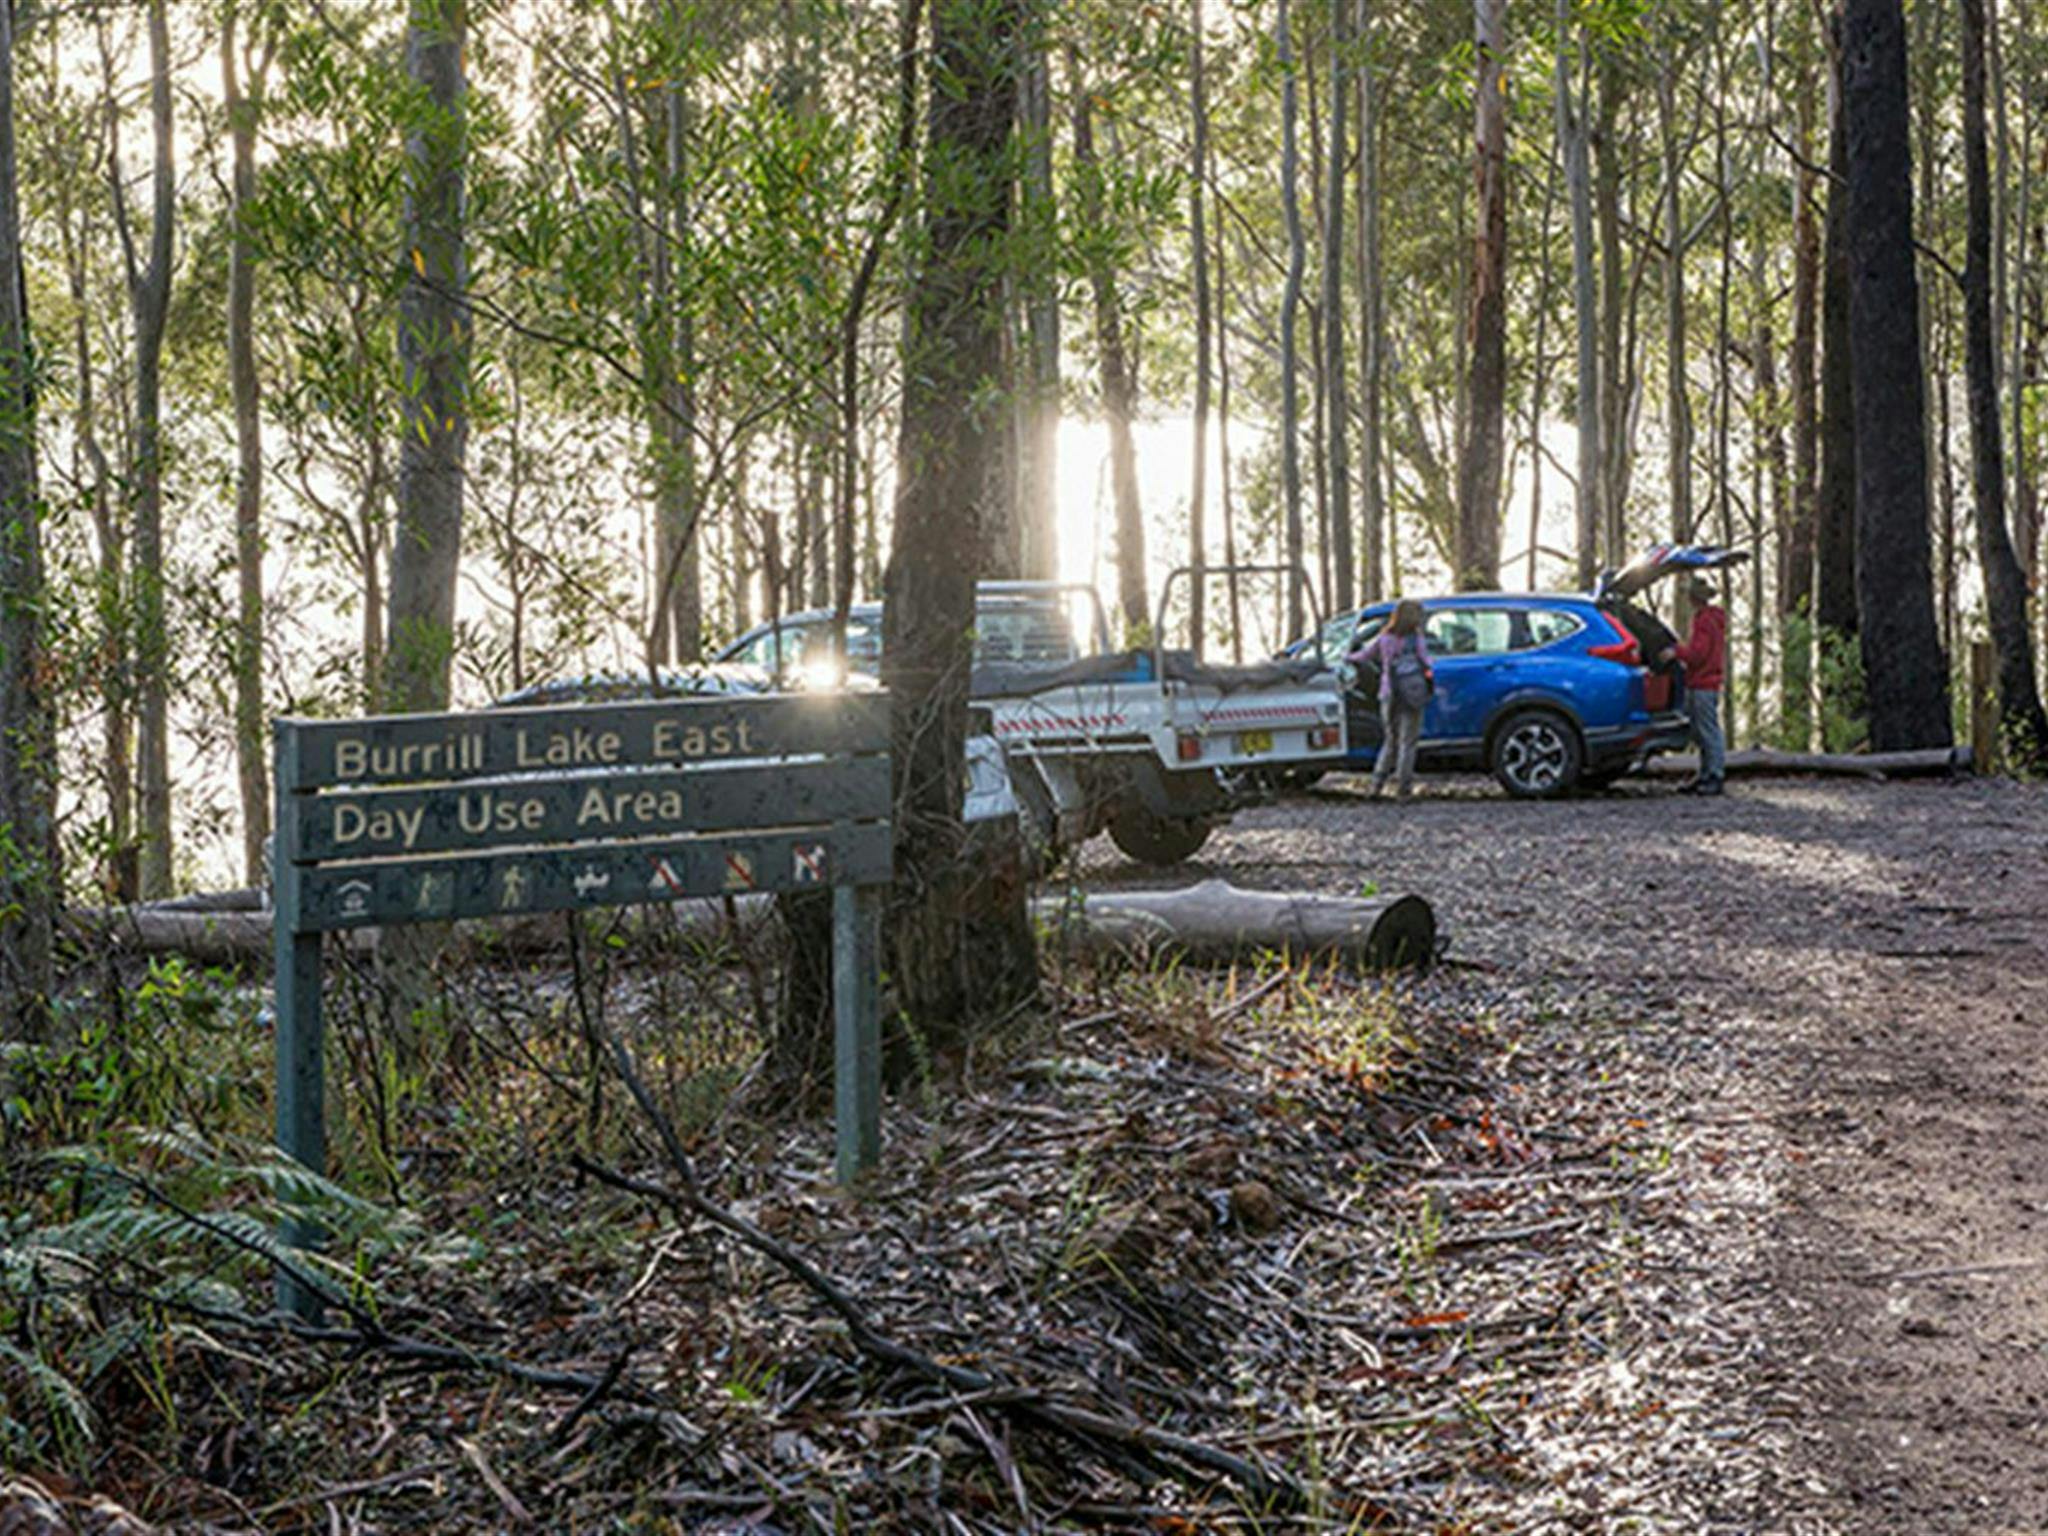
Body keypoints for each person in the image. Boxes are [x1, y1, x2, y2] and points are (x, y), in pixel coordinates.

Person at [1350, 598, 1435, 799]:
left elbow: (1365, 655)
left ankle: (1376, 786)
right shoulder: (1416, 637)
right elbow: (1425, 660)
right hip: (1412, 693)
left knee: (1390, 740)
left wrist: (1344, 658)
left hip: (1389, 693)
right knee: (1408, 742)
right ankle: (1403, 789)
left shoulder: (1385, 637)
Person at [1661, 576, 1727, 796]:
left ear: (1694, 597)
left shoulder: (1705, 621)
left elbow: (1698, 655)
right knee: (1701, 731)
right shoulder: (1709, 619)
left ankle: (1715, 776)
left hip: (1703, 684)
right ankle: (1706, 774)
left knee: (1708, 731)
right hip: (1702, 683)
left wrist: (1676, 652)